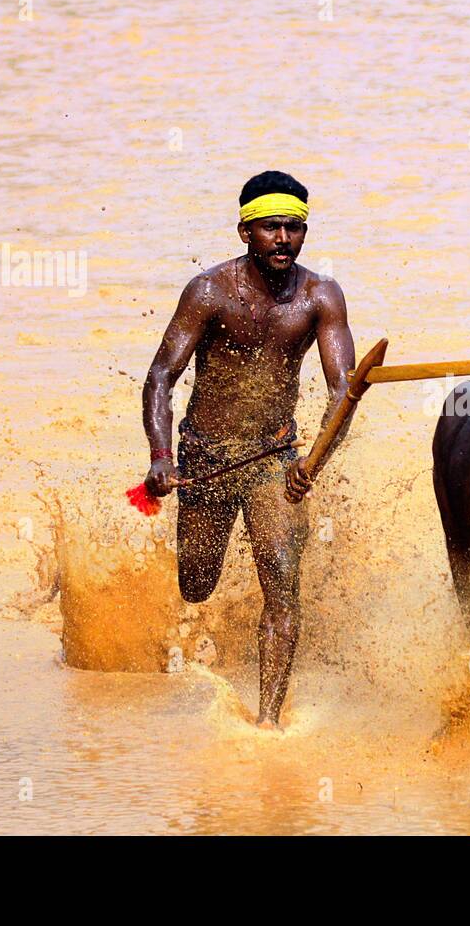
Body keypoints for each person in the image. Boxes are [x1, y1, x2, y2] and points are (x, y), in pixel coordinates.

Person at [142, 170, 355, 727]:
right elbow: (161, 376)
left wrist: (311, 464)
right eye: (271, 228)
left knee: (282, 583)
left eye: (294, 228)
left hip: (273, 461)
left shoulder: (320, 296)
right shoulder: (209, 292)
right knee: (195, 584)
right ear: (244, 232)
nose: (284, 239)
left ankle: (267, 722)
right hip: (206, 459)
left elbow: (344, 389)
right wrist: (161, 456)